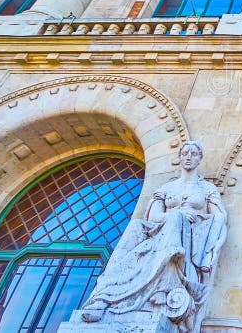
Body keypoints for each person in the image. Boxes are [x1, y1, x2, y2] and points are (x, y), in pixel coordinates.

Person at [80, 141, 227, 333]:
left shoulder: (207, 189)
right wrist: (176, 215)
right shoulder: (168, 187)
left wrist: (206, 239)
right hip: (161, 232)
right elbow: (153, 217)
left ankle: (164, 288)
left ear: (200, 158)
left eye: (193, 153)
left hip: (189, 241)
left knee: (176, 220)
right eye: (185, 153)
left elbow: (219, 217)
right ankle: (104, 295)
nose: (189, 157)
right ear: (179, 158)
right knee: (135, 225)